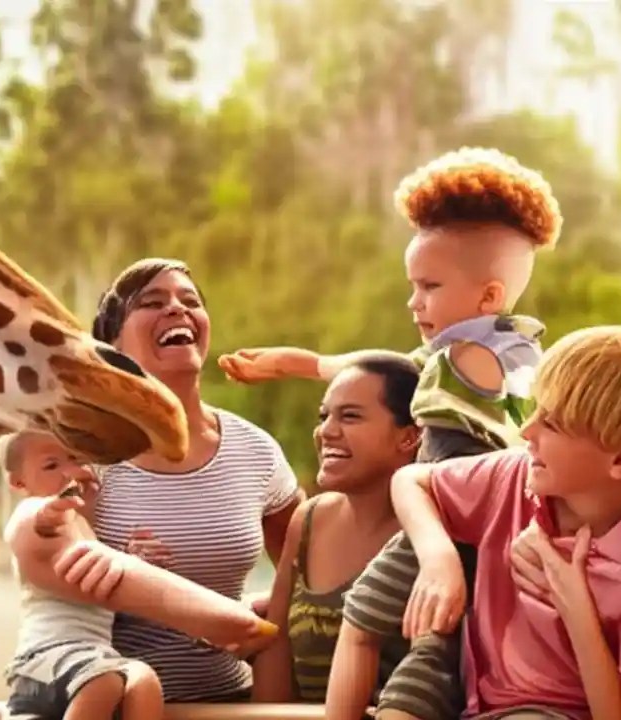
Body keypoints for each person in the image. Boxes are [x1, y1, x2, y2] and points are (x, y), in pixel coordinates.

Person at [220, 147, 564, 719]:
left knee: (365, 611)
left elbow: (389, 365)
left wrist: (300, 363)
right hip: (497, 520)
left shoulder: (467, 355)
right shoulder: (519, 351)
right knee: (433, 639)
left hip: (449, 513)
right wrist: (298, 362)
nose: (414, 302)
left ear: (488, 296)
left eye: (428, 286)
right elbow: (388, 363)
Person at [396, 324, 621, 719]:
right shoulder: (516, 476)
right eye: (536, 411)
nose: (527, 431)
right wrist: (439, 560)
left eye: (553, 423)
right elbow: (410, 480)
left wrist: (576, 607)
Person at [58, 257, 303, 703]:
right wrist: (220, 618)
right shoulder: (84, 454)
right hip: (120, 707)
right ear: (112, 342)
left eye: (190, 301)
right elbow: (53, 581)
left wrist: (265, 610)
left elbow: (312, 569)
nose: (177, 309)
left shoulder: (255, 450)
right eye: (152, 302)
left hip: (233, 704)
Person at [250, 353, 421, 708]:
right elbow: (275, 645)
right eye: (324, 416)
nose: (326, 431)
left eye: (351, 416)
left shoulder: (431, 535)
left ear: (409, 437)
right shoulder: (309, 521)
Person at [0, 430, 164, 720]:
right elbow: (30, 519)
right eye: (52, 466)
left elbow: (109, 575)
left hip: (91, 659)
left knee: (144, 680)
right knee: (105, 681)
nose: (70, 472)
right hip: (44, 660)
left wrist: (135, 560)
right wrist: (48, 512)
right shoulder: (36, 517)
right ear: (19, 482)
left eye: (74, 458)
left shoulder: (87, 531)